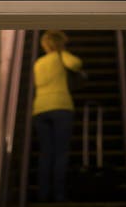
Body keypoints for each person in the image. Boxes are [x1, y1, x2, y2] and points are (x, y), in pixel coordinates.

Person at [32, 30, 83, 202]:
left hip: (40, 109)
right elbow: (76, 64)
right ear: (60, 43)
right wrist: (62, 53)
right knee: (60, 152)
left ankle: (43, 193)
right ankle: (59, 194)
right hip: (61, 107)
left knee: (46, 152)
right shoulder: (61, 56)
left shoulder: (38, 63)